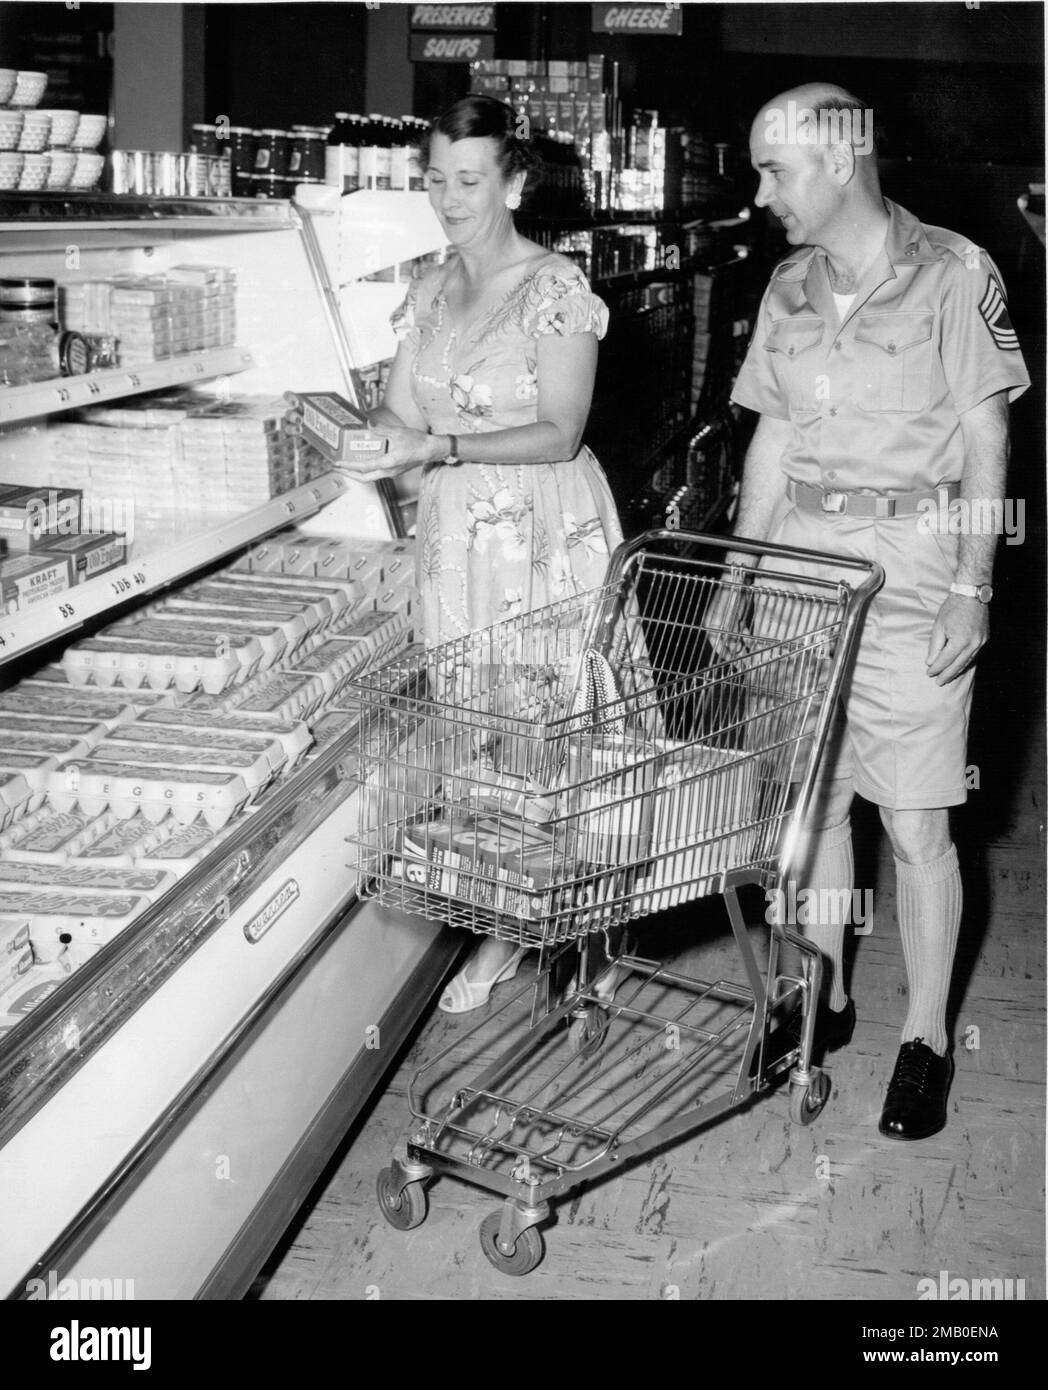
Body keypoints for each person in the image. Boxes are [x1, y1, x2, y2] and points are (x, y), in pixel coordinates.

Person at [726, 83, 1030, 1139]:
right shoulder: (786, 285)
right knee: (813, 808)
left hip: (912, 570)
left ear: (839, 162)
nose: (760, 191)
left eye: (774, 169)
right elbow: (766, 440)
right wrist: (737, 576)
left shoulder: (953, 275)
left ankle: (926, 1036)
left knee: (914, 822)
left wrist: (973, 587)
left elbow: (989, 444)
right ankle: (829, 1000)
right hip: (803, 571)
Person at [347, 95, 623, 1013]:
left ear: (512, 181)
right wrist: (364, 434)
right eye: (435, 177)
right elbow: (401, 413)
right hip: (455, 537)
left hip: (542, 530)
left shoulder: (556, 287)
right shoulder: (427, 290)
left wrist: (441, 450)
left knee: (544, 728)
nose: (449, 196)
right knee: (474, 724)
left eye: (469, 179)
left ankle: (562, 918)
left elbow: (560, 430)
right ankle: (509, 920)